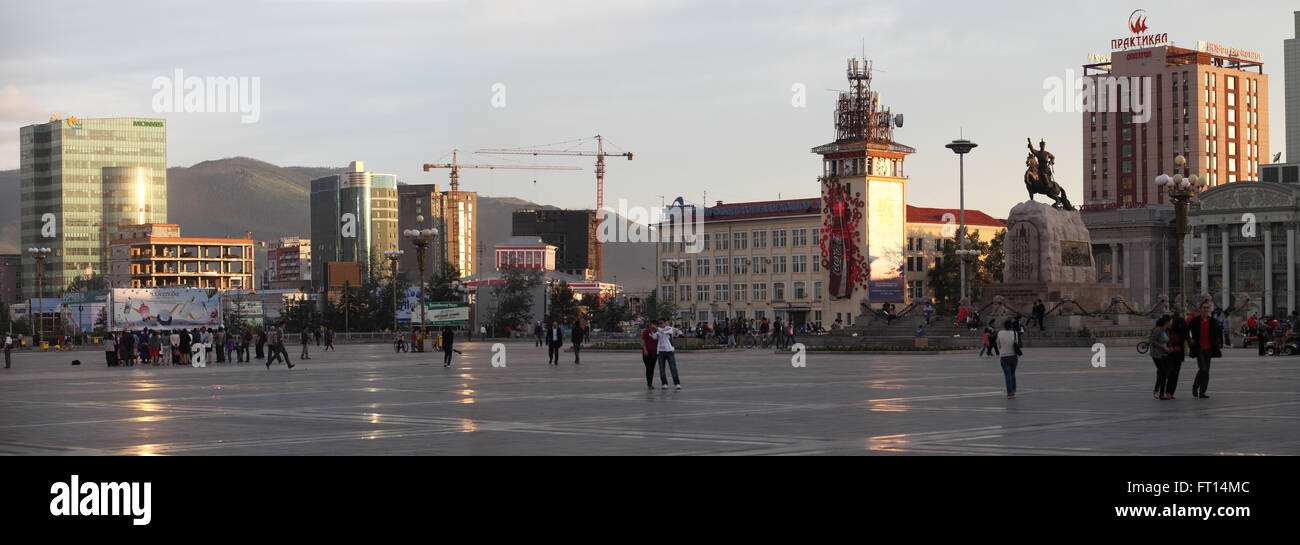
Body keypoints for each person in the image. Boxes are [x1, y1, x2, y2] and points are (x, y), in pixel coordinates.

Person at [1187, 302, 1222, 398]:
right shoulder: (1195, 320)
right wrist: (1190, 339)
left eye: (1208, 308)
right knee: (1203, 369)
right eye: (1204, 308)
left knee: (1206, 371)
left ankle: (1202, 391)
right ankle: (1195, 387)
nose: (1206, 309)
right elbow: (1187, 331)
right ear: (1200, 309)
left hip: (1209, 349)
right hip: (1199, 348)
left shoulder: (1213, 321)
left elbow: (1217, 333)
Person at [650, 320, 682, 390]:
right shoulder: (658, 330)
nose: (660, 325)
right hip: (661, 352)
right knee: (662, 369)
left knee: (673, 368)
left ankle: (677, 383)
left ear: (665, 323)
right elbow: (654, 337)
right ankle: (664, 383)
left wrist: (657, 328)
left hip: (669, 351)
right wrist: (652, 331)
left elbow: (666, 332)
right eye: (658, 324)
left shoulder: (668, 328)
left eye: (661, 323)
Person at [1149, 316, 1174, 399]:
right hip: (1157, 354)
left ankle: (1161, 394)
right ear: (1167, 322)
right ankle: (1157, 390)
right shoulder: (1158, 330)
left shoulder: (1166, 331)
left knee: (1164, 373)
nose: (1172, 323)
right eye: (1171, 321)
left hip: (1164, 355)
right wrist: (1163, 347)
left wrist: (1169, 348)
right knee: (1163, 373)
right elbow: (1152, 341)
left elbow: (1166, 341)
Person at [995, 319, 1021, 398]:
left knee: (1007, 375)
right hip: (1013, 356)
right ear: (1011, 326)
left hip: (1004, 356)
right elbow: (1016, 343)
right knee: (1012, 374)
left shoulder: (1000, 333)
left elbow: (998, 344)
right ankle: (1013, 390)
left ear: (1004, 326)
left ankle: (1009, 392)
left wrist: (1002, 350)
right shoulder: (1014, 333)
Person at [640, 321, 659, 390]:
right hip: (647, 353)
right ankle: (649, 384)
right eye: (653, 324)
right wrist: (645, 350)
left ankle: (650, 383)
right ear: (650, 325)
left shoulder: (657, 332)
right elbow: (643, 341)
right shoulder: (646, 331)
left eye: (655, 325)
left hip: (654, 352)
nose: (653, 326)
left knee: (652, 368)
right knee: (648, 368)